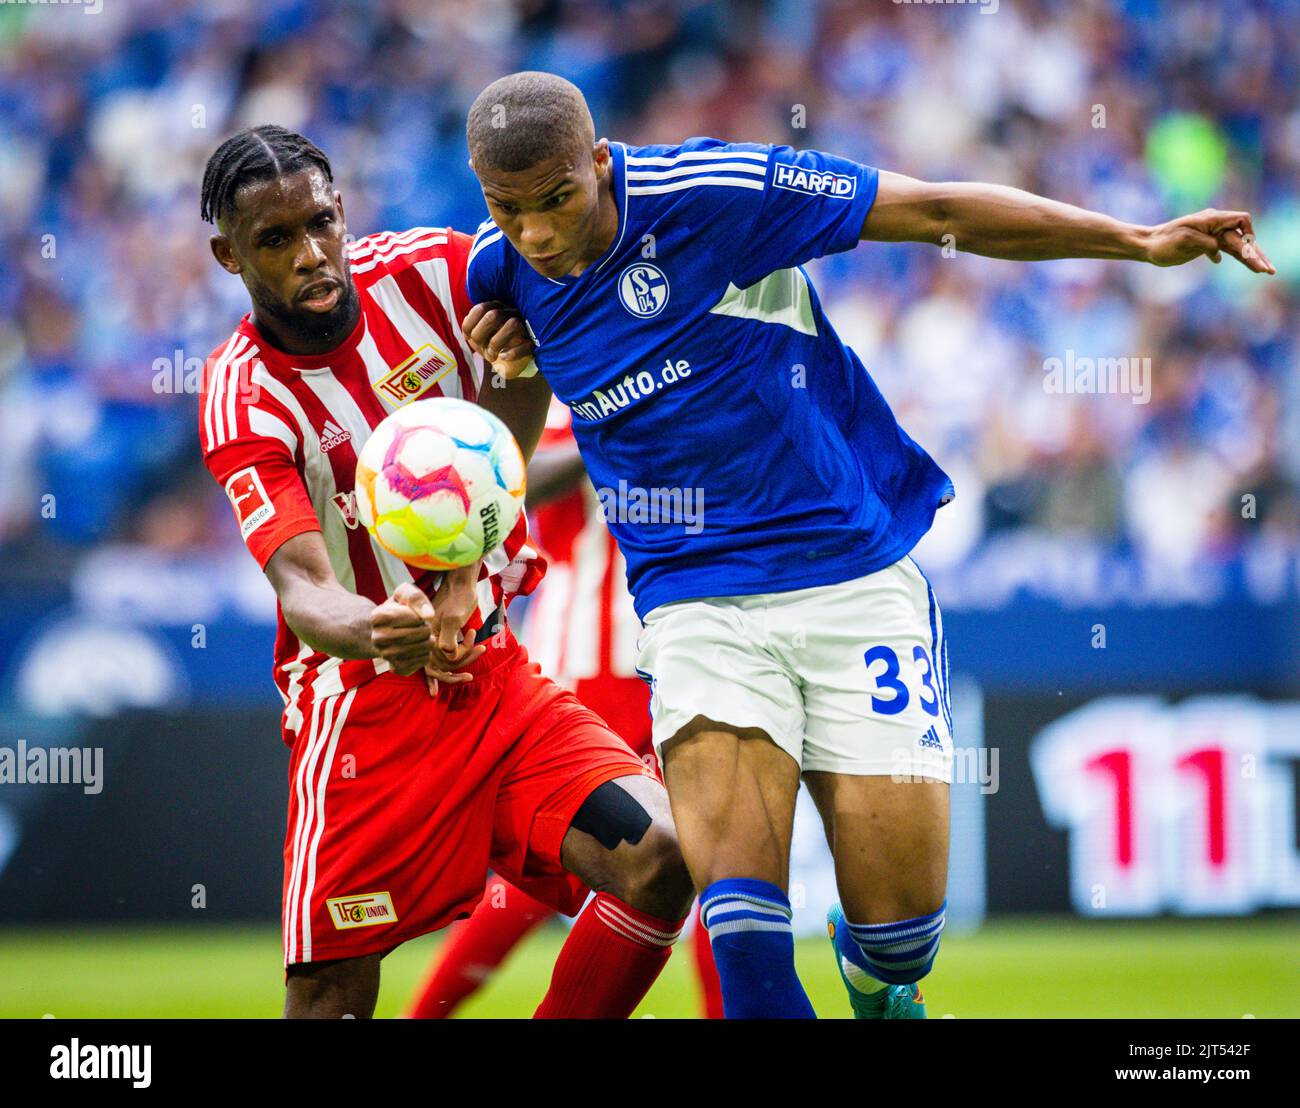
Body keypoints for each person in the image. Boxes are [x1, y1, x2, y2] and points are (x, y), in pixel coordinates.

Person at [460, 71, 1275, 1019]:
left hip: (848, 569)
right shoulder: (500, 268)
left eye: (557, 199)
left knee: (900, 932)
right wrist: (494, 436)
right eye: (508, 210)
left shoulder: (716, 196)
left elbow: (931, 209)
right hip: (693, 599)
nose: (538, 233)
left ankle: (876, 971)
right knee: (747, 942)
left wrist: (1135, 240)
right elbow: (508, 417)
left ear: (600, 162)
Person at [197, 124, 695, 1019]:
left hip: (494, 676)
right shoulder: (247, 394)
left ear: (342, 209)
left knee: (661, 856)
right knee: (331, 996)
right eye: (276, 240)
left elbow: (520, 372)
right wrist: (374, 627)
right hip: (364, 713)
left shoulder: (439, 269)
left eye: (320, 223)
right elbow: (304, 591)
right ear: (228, 254)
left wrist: (528, 360)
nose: (311, 254)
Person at [406, 398, 724, 1019]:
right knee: (577, 853)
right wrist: (600, 439)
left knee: (716, 852)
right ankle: (423, 1014)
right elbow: (515, 479)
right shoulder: (569, 386)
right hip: (586, 654)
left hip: (685, 653)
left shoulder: (697, 372)